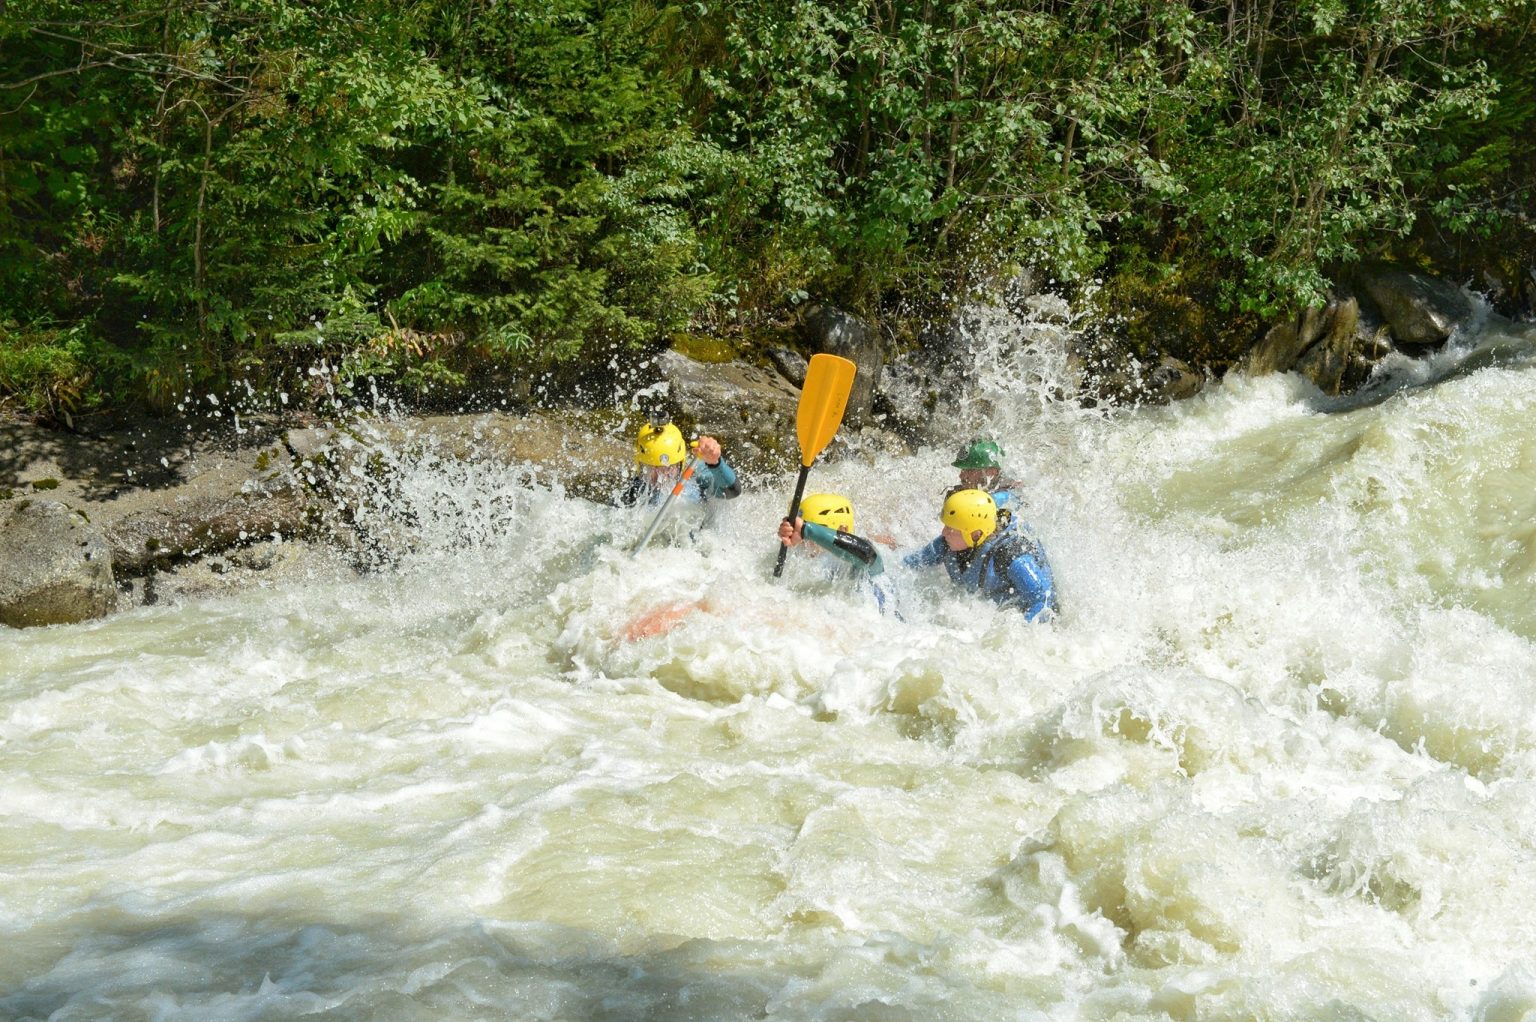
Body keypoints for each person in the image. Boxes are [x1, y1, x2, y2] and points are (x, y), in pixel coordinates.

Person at [905, 487, 1057, 621]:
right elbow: (910, 563)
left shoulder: (1010, 556)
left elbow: (1043, 600)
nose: (944, 532)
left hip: (1023, 608)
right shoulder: (947, 543)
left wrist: (1021, 633)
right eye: (946, 526)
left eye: (951, 528)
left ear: (975, 535)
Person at [777, 492, 893, 612]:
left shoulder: (858, 564)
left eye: (819, 529)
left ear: (843, 531)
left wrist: (807, 530)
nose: (804, 542)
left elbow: (868, 555)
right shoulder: (806, 560)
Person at [619, 422, 740, 507]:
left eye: (669, 467)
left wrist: (715, 463)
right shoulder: (634, 492)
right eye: (652, 468)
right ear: (640, 466)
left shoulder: (697, 476)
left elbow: (732, 491)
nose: (661, 475)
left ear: (681, 464)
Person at [951, 439, 1023, 530]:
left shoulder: (1000, 503)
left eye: (969, 471)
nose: (961, 475)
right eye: (962, 470)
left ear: (991, 472)